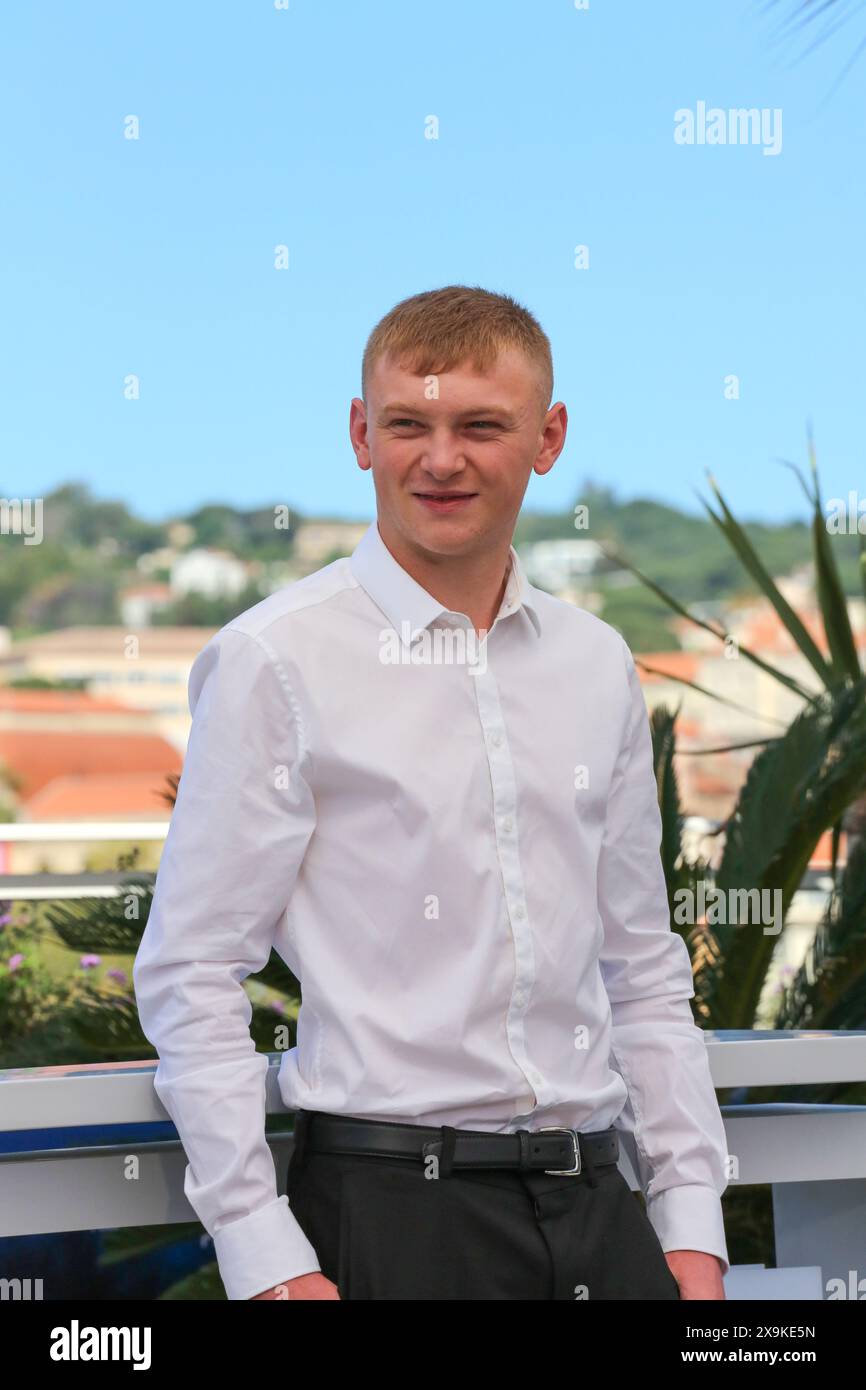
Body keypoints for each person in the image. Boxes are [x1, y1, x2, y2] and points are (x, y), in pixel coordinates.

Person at [133, 284, 730, 1301]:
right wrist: (262, 1251)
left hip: (603, 1215)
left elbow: (639, 966)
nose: (439, 458)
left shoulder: (595, 662)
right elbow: (190, 971)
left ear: (546, 439)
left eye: (479, 426)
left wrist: (687, 1226)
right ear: (361, 434)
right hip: (388, 1218)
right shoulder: (274, 661)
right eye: (407, 423)